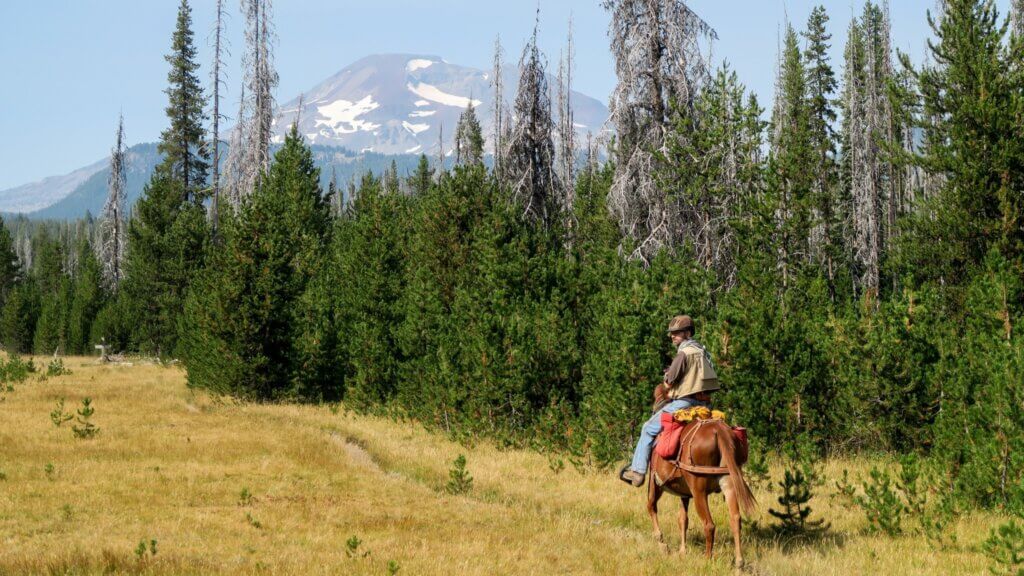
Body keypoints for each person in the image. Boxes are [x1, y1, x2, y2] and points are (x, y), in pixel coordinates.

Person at [619, 314, 720, 487]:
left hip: (684, 403)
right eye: (672, 333)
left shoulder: (683, 353)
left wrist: (667, 377)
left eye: (677, 333)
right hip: (705, 404)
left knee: (648, 428)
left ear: (688, 333)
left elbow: (670, 381)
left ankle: (637, 472)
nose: (672, 336)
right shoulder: (703, 352)